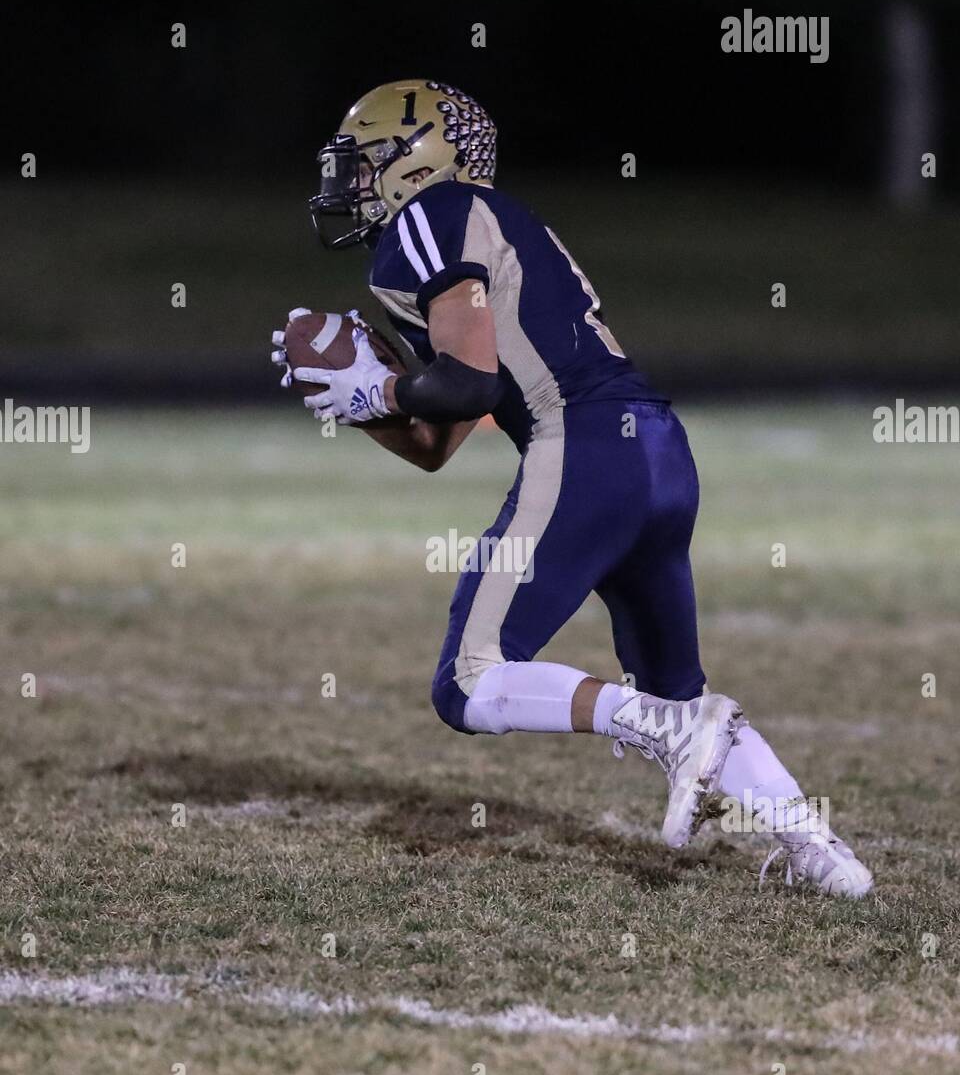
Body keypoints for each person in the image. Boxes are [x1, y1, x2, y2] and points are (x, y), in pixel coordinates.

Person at [272, 78, 873, 898]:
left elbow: (471, 386)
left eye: (368, 160)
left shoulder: (430, 216)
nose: (351, 182)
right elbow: (437, 442)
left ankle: (671, 732)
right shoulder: (483, 227)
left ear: (419, 160)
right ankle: (826, 857)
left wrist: (376, 390)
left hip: (582, 447)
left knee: (469, 682)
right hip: (656, 455)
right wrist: (365, 404)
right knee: (680, 693)